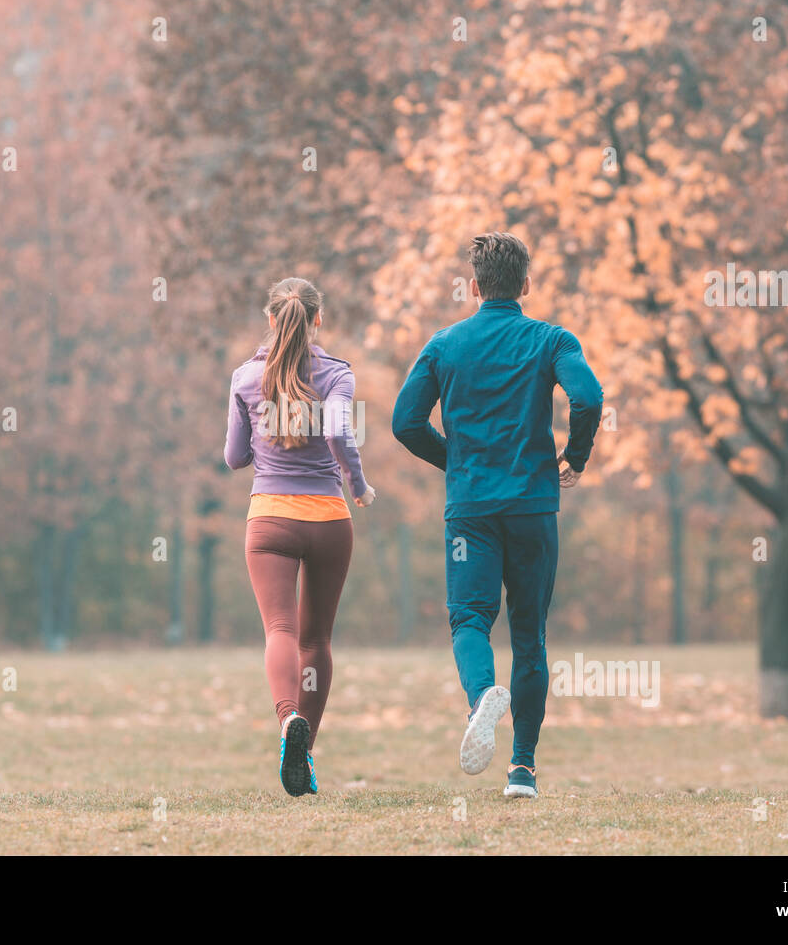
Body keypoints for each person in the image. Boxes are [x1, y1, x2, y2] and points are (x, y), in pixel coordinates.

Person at [391, 232, 602, 798]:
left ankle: (482, 694)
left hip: (472, 510)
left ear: (476, 286)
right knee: (530, 636)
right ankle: (522, 771)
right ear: (526, 284)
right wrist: (573, 457)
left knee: (469, 621)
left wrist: (455, 463)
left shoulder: (445, 344)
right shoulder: (551, 339)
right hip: (534, 505)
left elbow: (404, 423)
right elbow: (588, 397)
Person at [224, 277, 376, 797]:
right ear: (318, 320)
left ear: (271, 319)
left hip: (269, 519)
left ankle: (288, 719)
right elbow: (338, 431)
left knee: (280, 632)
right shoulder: (337, 374)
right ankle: (305, 756)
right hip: (329, 519)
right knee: (317, 639)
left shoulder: (246, 377)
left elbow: (233, 457)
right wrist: (359, 484)